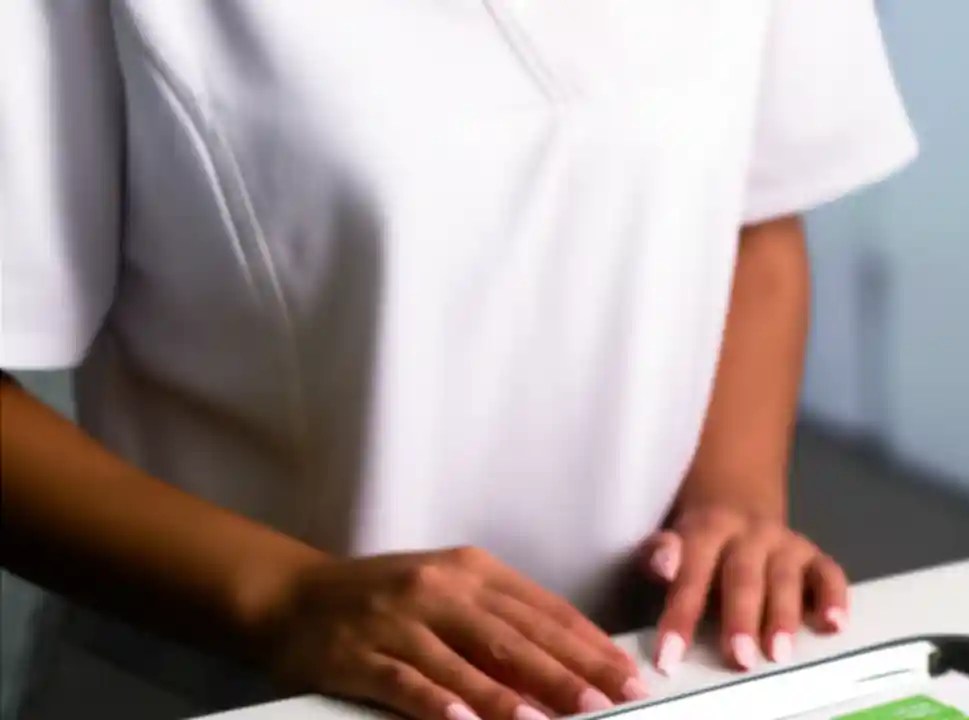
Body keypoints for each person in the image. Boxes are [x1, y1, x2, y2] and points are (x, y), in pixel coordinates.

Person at [0, 1, 916, 718]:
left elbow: (755, 211)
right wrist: (282, 596)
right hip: (246, 685)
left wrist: (736, 500)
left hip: (647, 672)